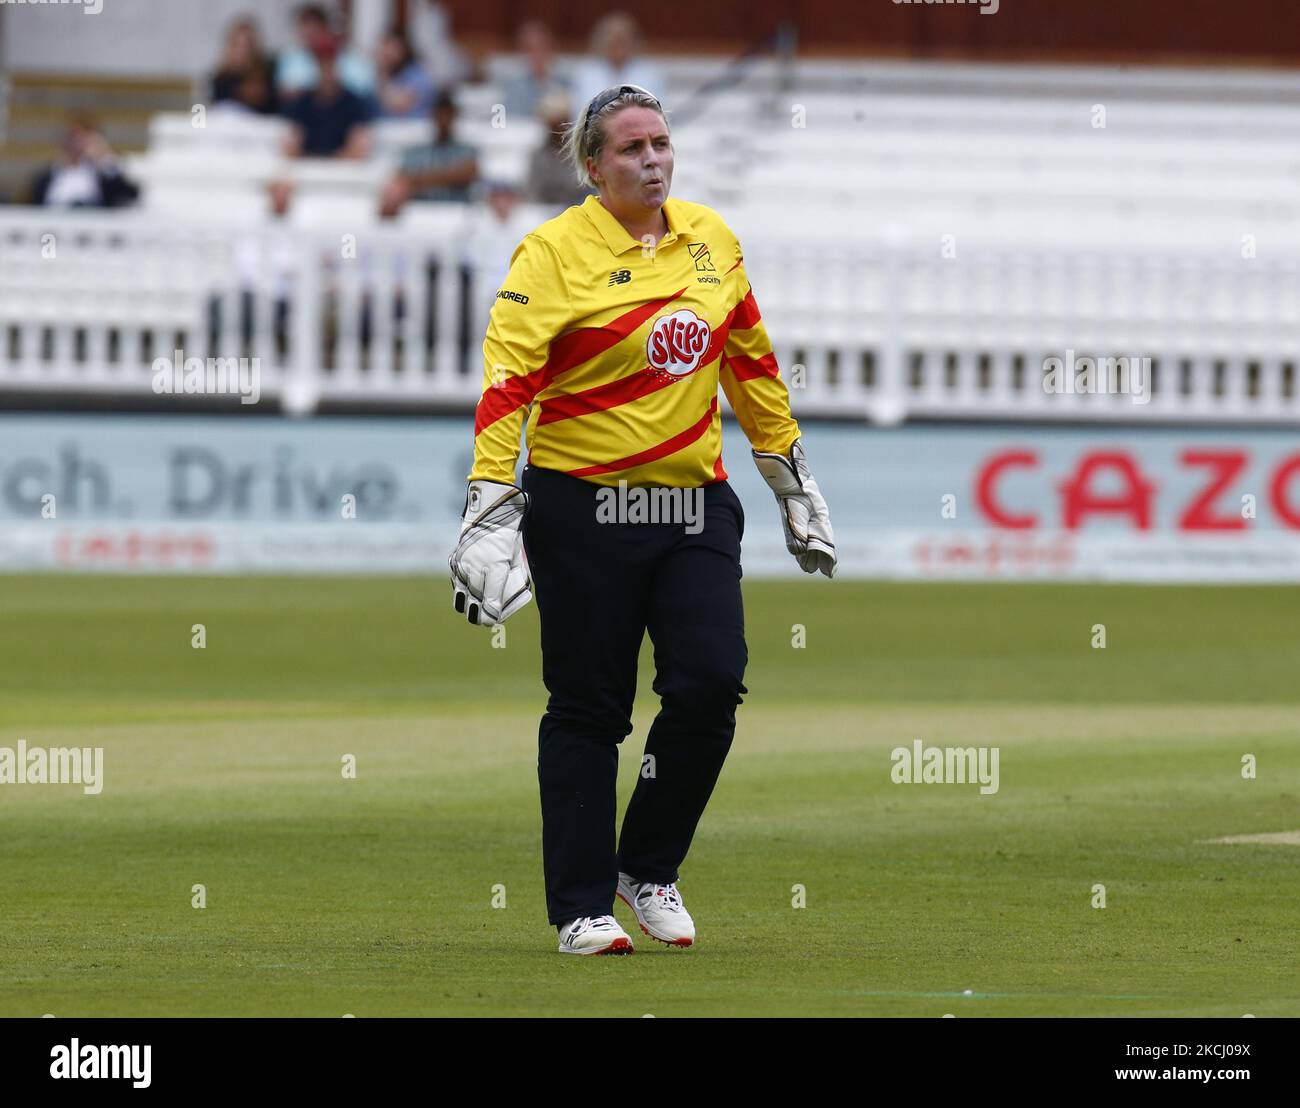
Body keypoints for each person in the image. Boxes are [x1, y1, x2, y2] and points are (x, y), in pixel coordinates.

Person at [447, 85, 837, 956]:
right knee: (590, 706)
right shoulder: (550, 253)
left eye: (661, 142)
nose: (653, 158)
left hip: (692, 501)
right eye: (631, 148)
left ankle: (647, 867)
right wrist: (487, 504)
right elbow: (508, 381)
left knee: (709, 683)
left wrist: (791, 478)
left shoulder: (713, 240)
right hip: (581, 505)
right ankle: (581, 908)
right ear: (593, 166)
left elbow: (752, 364)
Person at [378, 90, 477, 214]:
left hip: (456, 213)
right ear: (433, 116)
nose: (444, 120)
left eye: (448, 114)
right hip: (421, 215)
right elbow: (402, 178)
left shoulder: (467, 150)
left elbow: (469, 173)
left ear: (455, 116)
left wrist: (419, 179)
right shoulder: (416, 152)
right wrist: (450, 176)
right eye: (440, 114)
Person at [282, 34, 375, 159]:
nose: (326, 69)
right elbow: (291, 146)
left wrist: (329, 160)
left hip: (344, 173)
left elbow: (359, 148)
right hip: (308, 170)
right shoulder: (302, 104)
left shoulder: (354, 104)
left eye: (330, 62)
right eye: (321, 63)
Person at [29, 116, 140, 208]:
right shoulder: (46, 176)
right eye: (72, 138)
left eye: (82, 139)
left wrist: (105, 158)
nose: (76, 144)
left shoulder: (103, 175)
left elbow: (129, 194)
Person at [276, 3, 376, 103]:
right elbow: (285, 91)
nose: (309, 36)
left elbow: (364, 90)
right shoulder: (292, 58)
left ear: (325, 29)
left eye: (314, 31)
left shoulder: (352, 58)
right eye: (305, 32)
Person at [569, 13, 663, 111]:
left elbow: (658, 112)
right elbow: (579, 113)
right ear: (600, 41)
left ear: (634, 41)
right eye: (611, 36)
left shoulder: (650, 73)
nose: (617, 41)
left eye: (623, 37)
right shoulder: (586, 72)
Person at [525, 90, 591, 210]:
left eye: (560, 120)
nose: (557, 127)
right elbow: (532, 193)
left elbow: (588, 190)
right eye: (552, 122)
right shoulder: (538, 155)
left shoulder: (584, 151)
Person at [502, 20, 568, 121]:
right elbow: (513, 117)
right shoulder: (513, 83)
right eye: (530, 49)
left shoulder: (563, 80)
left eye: (542, 48)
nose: (537, 54)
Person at [210, 16, 277, 115]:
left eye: (247, 45)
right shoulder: (222, 76)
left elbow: (273, 107)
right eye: (239, 45)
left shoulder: (266, 72)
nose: (243, 50)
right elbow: (219, 106)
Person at [375, 26, 436, 120]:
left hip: (413, 129)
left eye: (393, 47)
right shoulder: (385, 74)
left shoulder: (418, 74)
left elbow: (399, 104)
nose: (388, 53)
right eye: (385, 47)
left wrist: (383, 71)